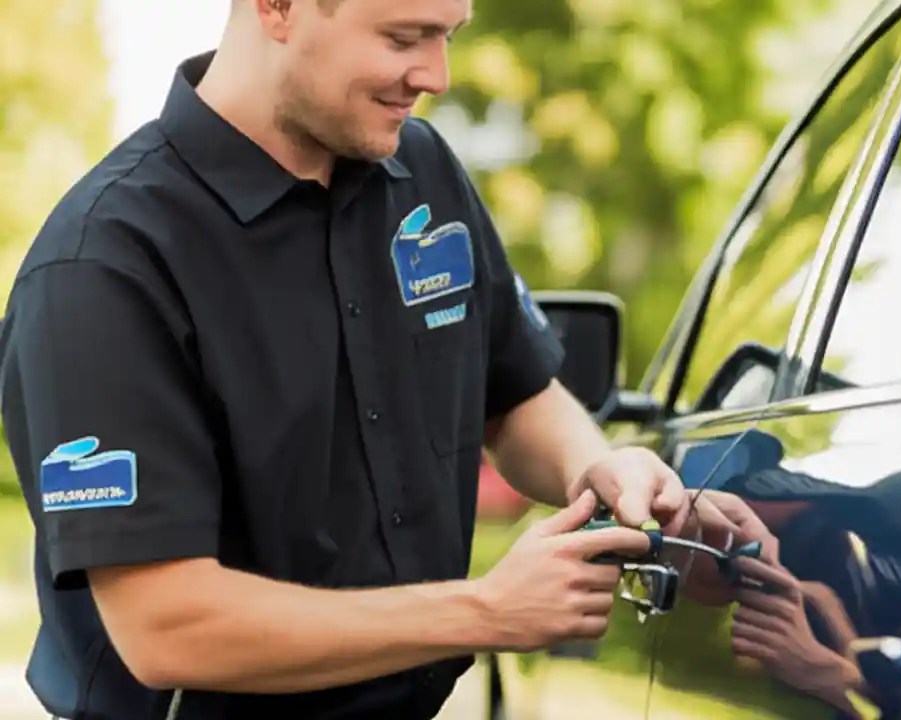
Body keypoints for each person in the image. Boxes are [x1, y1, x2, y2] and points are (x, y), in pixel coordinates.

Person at [0, 0, 723, 717]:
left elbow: (515, 393)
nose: (437, 75)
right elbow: (167, 629)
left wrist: (594, 466)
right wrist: (485, 610)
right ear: (277, 8)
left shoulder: (426, 174)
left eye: (447, 36)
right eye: (403, 37)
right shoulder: (103, 264)